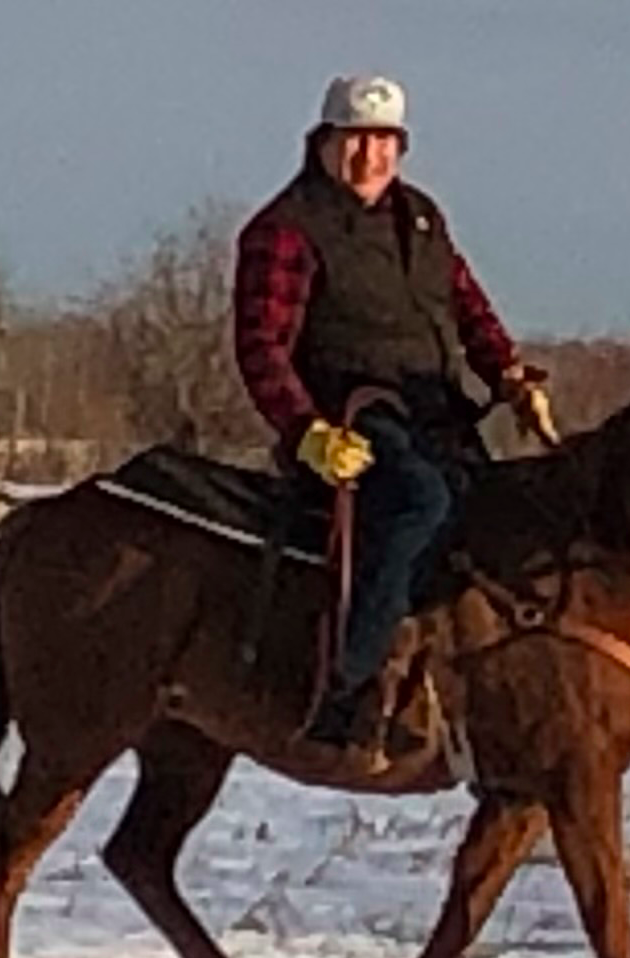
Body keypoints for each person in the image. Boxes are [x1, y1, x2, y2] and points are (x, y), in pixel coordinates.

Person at [234, 74, 556, 748]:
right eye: (354, 139)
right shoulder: (287, 229)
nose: (369, 156)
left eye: (383, 141)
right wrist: (306, 432)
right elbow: (261, 345)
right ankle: (347, 687)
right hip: (353, 414)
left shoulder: (421, 218)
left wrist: (510, 375)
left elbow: (468, 307)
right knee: (421, 501)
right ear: (323, 141)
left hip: (435, 409)